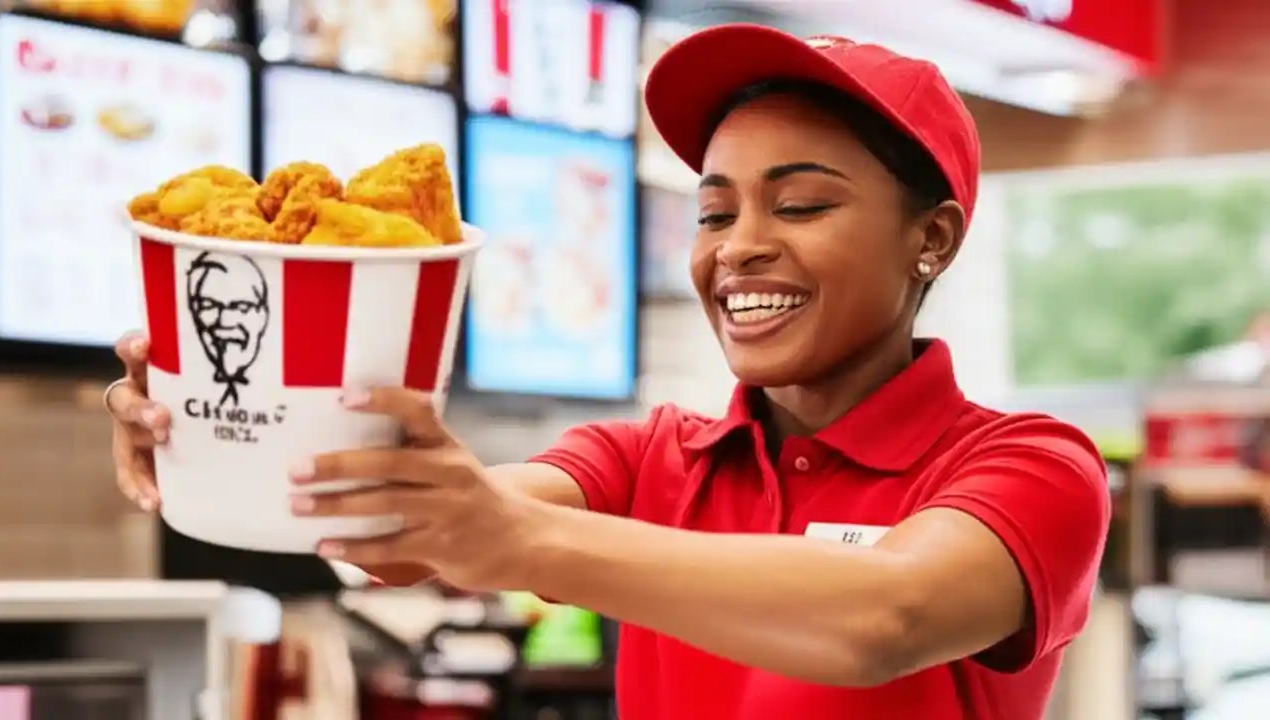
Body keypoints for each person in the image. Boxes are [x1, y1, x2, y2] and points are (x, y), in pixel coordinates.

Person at [105, 24, 1110, 720]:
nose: (739, 248)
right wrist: (223, 419)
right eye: (714, 214)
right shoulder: (648, 458)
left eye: (799, 206)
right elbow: (405, 545)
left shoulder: (1029, 467)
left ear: (928, 240)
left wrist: (516, 538)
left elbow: (881, 618)